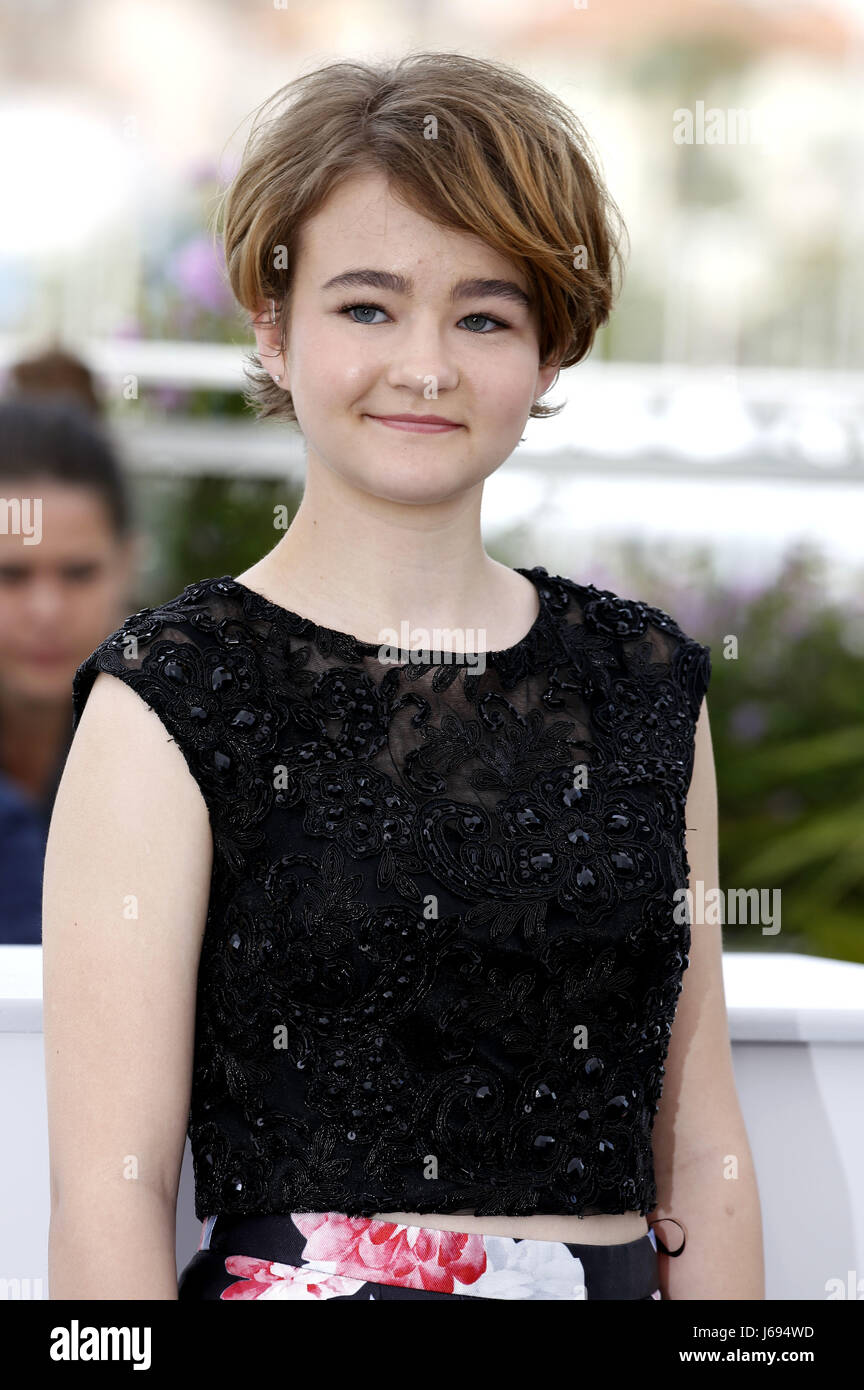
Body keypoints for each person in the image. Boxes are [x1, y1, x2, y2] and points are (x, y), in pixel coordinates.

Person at [42, 51, 764, 1301]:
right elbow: (107, 1204)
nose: (423, 365)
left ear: (549, 355)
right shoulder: (172, 695)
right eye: (367, 306)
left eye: (483, 315)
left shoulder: (646, 683)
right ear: (274, 329)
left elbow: (702, 1151)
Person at [0, 396, 137, 942]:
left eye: (78, 573)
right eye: (12, 575)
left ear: (126, 564)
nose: (47, 611)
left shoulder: (194, 753)